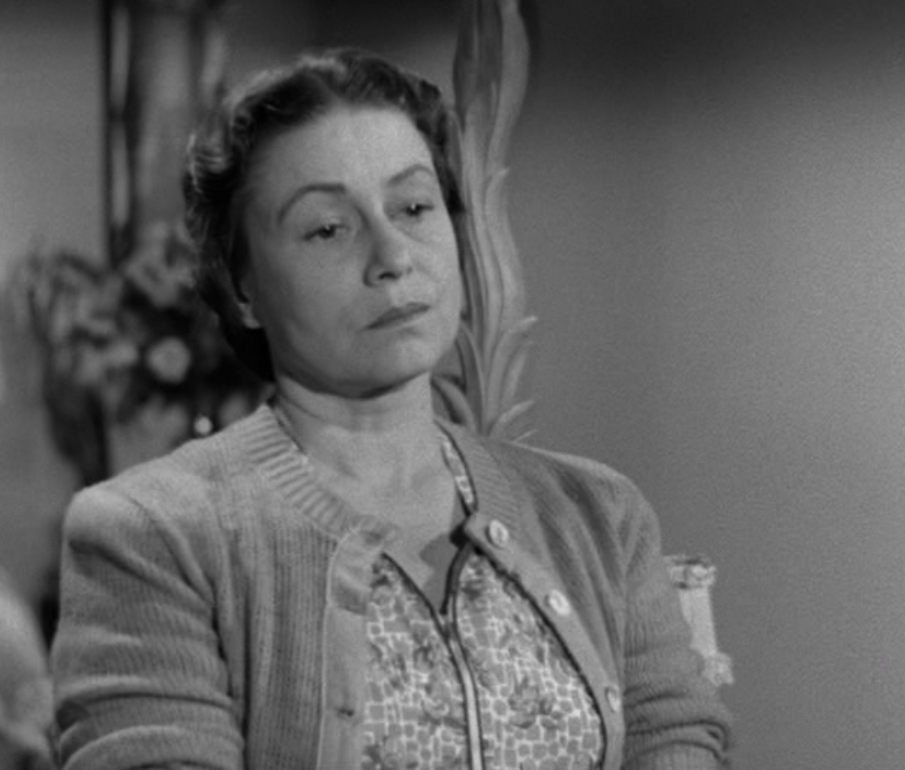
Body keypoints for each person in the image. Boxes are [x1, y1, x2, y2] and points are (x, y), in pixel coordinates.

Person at [51, 48, 732, 769]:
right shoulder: (155, 534)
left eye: (413, 208)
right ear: (241, 286)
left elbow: (676, 739)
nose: (392, 256)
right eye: (327, 228)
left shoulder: (598, 514)